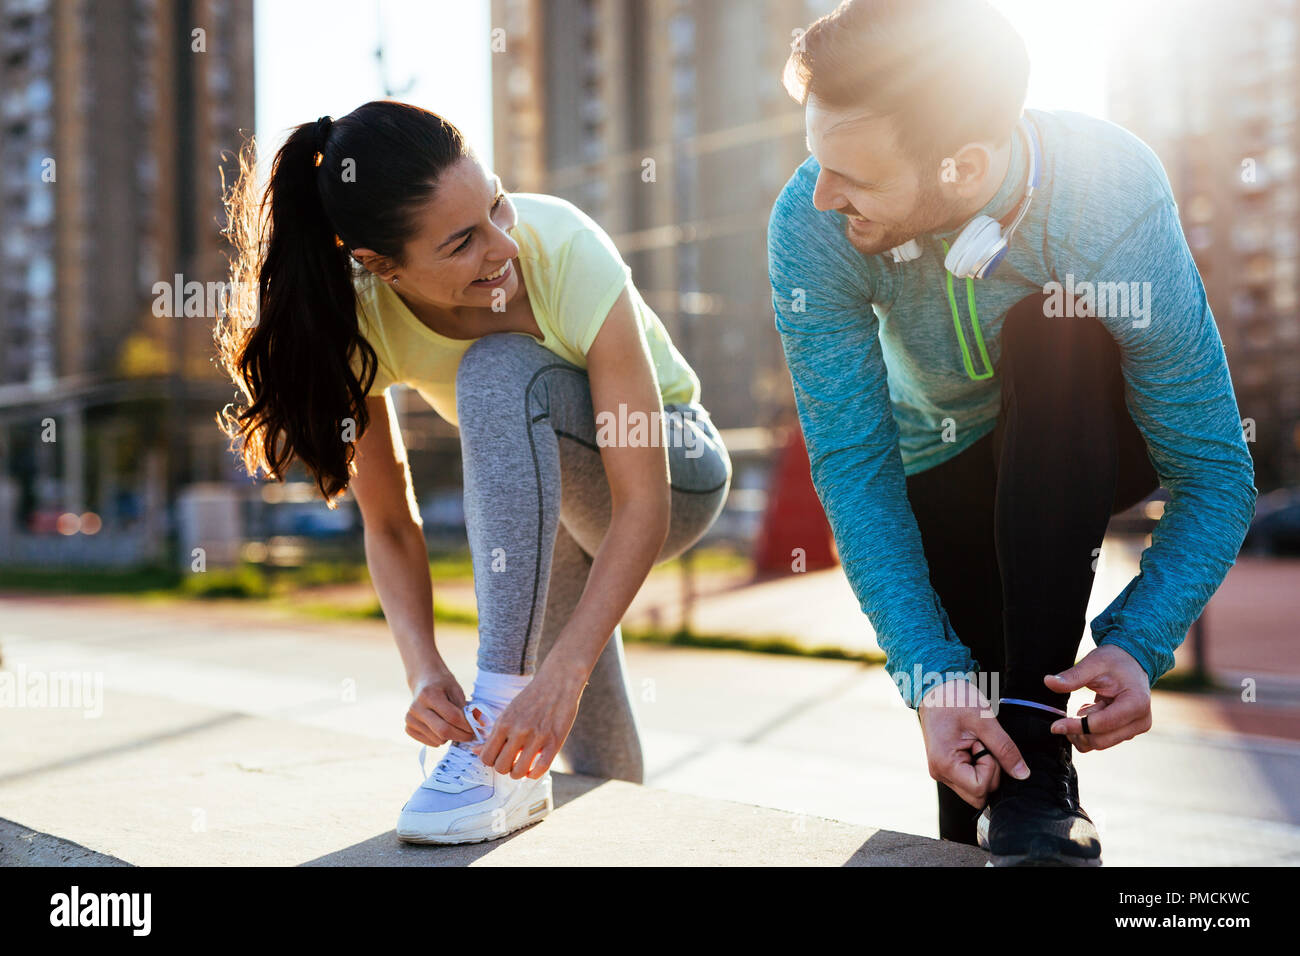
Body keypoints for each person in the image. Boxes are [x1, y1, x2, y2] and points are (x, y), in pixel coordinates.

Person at [767, 0, 1257, 865]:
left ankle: (1041, 751)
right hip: (941, 467)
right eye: (816, 158)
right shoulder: (810, 227)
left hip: (1088, 436)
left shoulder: (1110, 194)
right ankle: (1026, 795)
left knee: (1053, 326)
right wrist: (930, 674)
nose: (820, 193)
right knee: (976, 772)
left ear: (964, 166)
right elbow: (853, 466)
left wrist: (1139, 640)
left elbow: (1215, 469)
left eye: (850, 174)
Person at [216, 100, 731, 845]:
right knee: (572, 748)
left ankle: (495, 703)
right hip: (551, 512)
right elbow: (389, 523)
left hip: (677, 472)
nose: (502, 249)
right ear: (380, 267)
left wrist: (562, 671)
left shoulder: (564, 250)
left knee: (495, 371)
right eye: (462, 242)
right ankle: (591, 823)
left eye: (496, 205)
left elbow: (642, 502)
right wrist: (423, 669)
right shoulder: (357, 320)